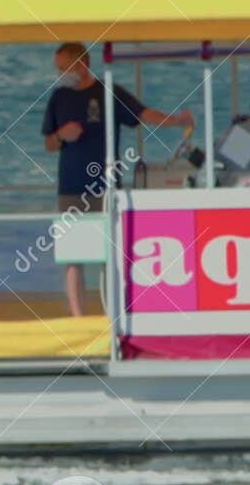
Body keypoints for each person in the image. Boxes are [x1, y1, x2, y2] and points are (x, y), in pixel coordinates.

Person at [41, 42, 193, 317]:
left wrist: (176, 120)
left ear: (82, 65)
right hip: (70, 188)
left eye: (64, 68)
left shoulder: (108, 91)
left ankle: (113, 313)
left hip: (106, 186)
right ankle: (78, 319)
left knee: (110, 256)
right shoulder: (58, 98)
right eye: (59, 69)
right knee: (73, 256)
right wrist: (62, 135)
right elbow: (48, 144)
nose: (61, 74)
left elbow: (143, 114)